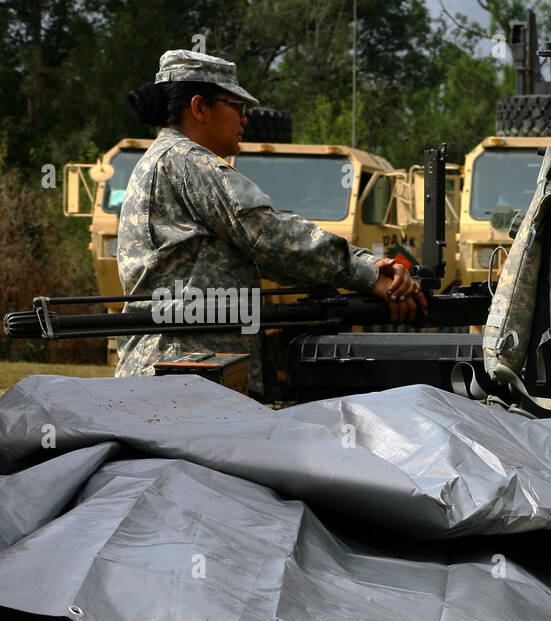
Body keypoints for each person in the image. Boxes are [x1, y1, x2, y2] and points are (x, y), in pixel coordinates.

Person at [115, 49, 424, 399]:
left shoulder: (162, 160)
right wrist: (368, 271)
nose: (245, 119)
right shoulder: (189, 162)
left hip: (175, 370)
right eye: (237, 107)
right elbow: (269, 236)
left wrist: (364, 275)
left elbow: (268, 255)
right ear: (199, 107)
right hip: (187, 375)